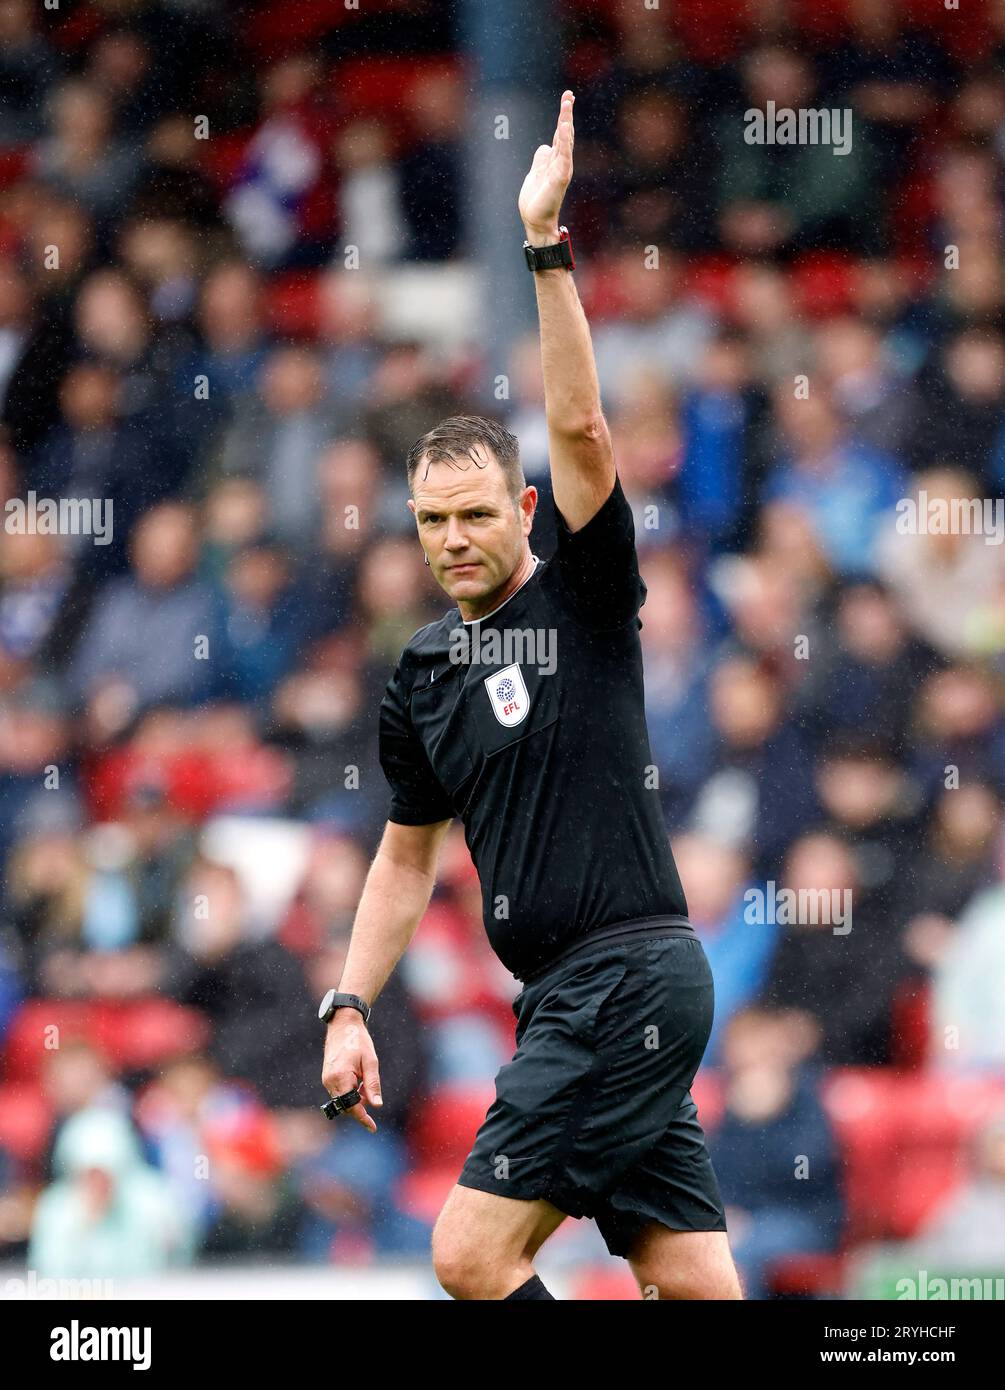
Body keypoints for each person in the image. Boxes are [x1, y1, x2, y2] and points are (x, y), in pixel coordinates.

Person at [319, 91, 740, 1301]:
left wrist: (544, 249)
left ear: (522, 513)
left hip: (623, 979)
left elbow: (585, 427)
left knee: (467, 1255)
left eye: (476, 515)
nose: (454, 538)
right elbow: (405, 860)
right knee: (697, 1284)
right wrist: (349, 1001)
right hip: (573, 997)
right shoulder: (423, 674)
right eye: (432, 521)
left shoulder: (583, 599)